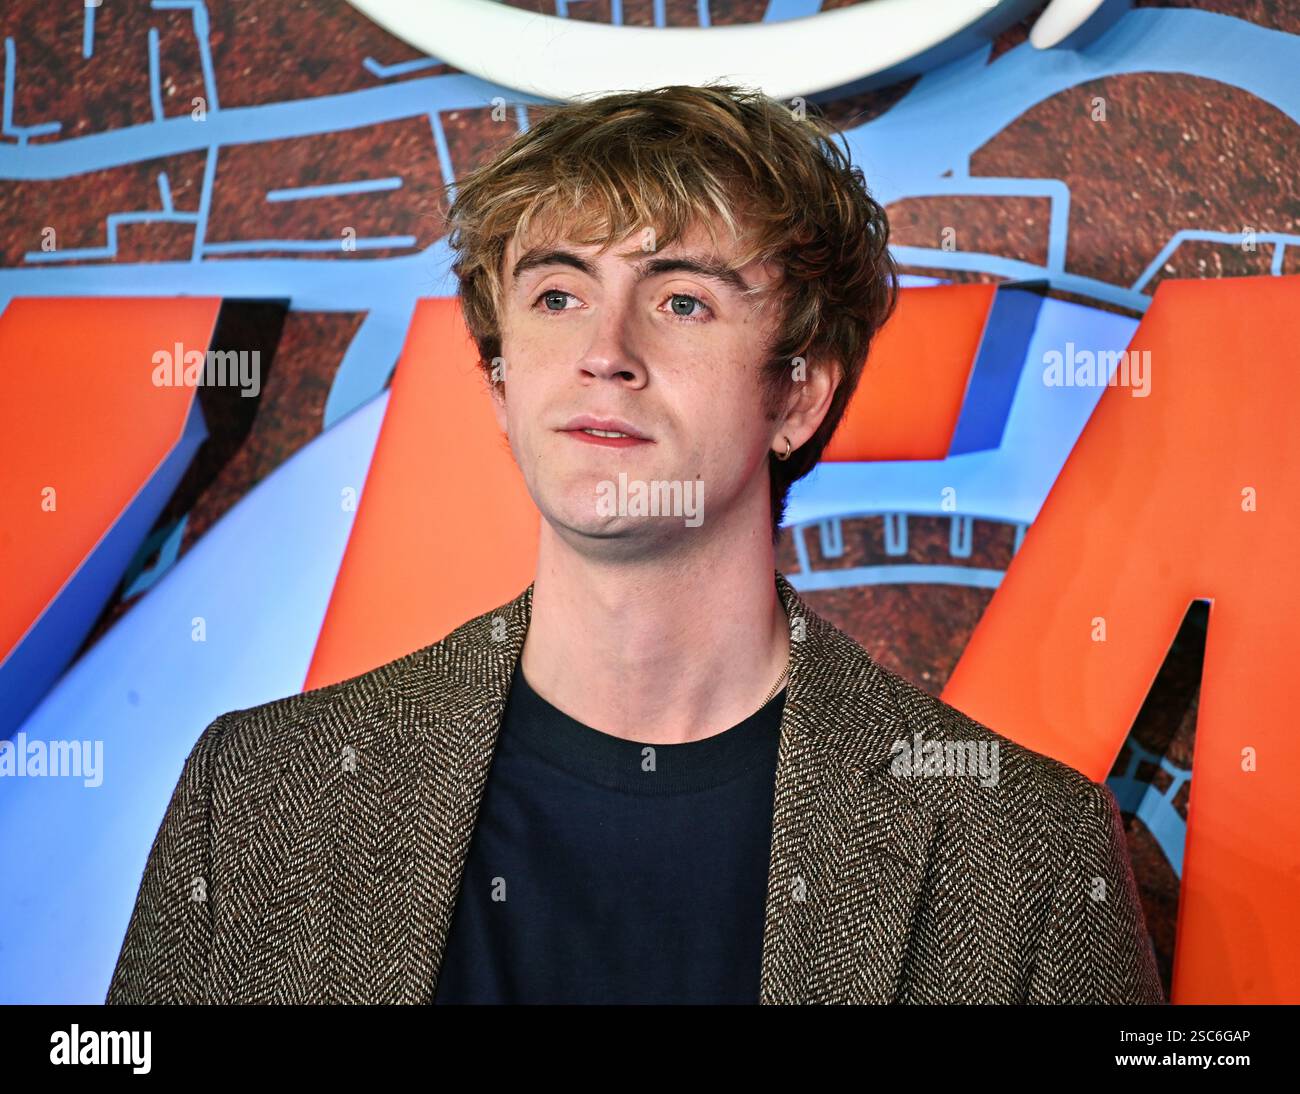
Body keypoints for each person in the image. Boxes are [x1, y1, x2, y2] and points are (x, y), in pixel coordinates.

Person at [106, 83, 1162, 1005]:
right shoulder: (259, 794)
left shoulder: (1020, 848)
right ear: (500, 380)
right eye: (558, 295)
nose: (605, 353)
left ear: (796, 393)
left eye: (682, 300)